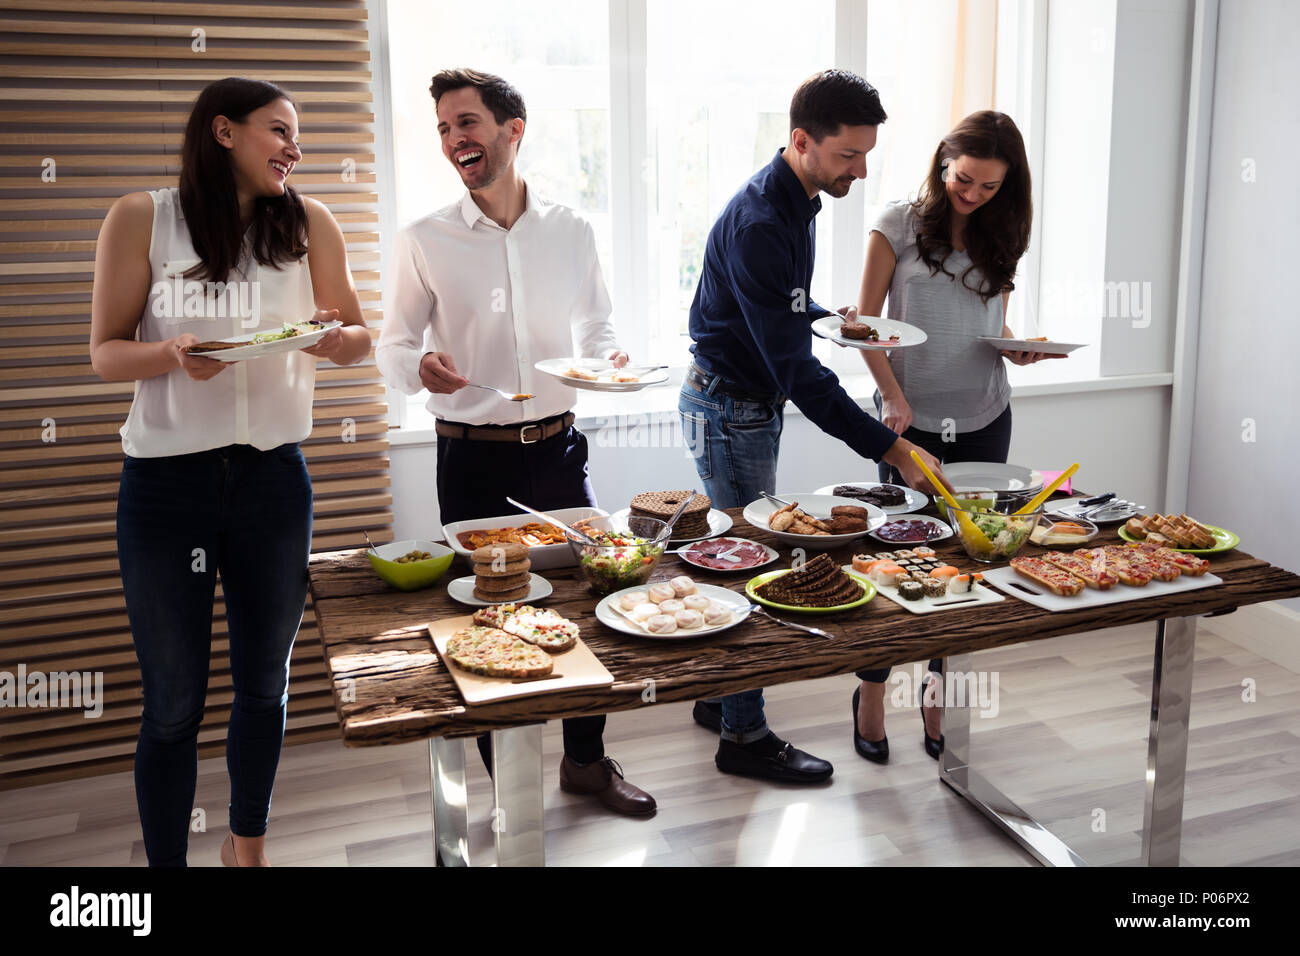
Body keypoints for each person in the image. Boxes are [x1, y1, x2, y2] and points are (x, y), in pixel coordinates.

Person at [91, 77, 372, 866]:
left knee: (265, 684)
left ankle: (246, 848)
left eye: (299, 135)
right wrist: (171, 358)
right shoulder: (143, 216)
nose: (295, 148)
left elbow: (354, 331)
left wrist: (332, 339)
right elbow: (106, 350)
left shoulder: (311, 221)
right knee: (174, 703)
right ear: (223, 131)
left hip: (274, 482)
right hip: (166, 490)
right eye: (279, 130)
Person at [376, 68, 655, 816]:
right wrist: (418, 367)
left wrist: (608, 359)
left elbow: (596, 327)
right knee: (489, 615)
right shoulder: (422, 238)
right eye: (442, 128)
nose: (453, 139)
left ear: (512, 131)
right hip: (470, 453)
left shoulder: (571, 228)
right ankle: (512, 795)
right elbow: (392, 346)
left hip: (560, 447)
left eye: (465, 122)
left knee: (594, 597)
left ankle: (587, 764)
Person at [679, 69, 952, 784]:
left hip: (742, 401)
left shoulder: (798, 199)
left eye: (866, 155)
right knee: (750, 560)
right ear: (802, 141)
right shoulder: (764, 222)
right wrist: (892, 445)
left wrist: (830, 317)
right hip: (729, 405)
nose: (860, 172)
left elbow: (776, 306)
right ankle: (744, 737)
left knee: (739, 548)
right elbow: (799, 375)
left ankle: (719, 699)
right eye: (847, 157)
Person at [850, 110, 1062, 763]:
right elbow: (861, 324)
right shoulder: (897, 224)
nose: (972, 194)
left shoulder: (1004, 234)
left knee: (971, 564)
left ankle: (938, 700)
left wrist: (1017, 350)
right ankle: (872, 694)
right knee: (900, 564)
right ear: (944, 162)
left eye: (989, 187)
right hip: (909, 424)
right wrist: (891, 396)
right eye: (965, 179)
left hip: (984, 414)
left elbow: (987, 323)